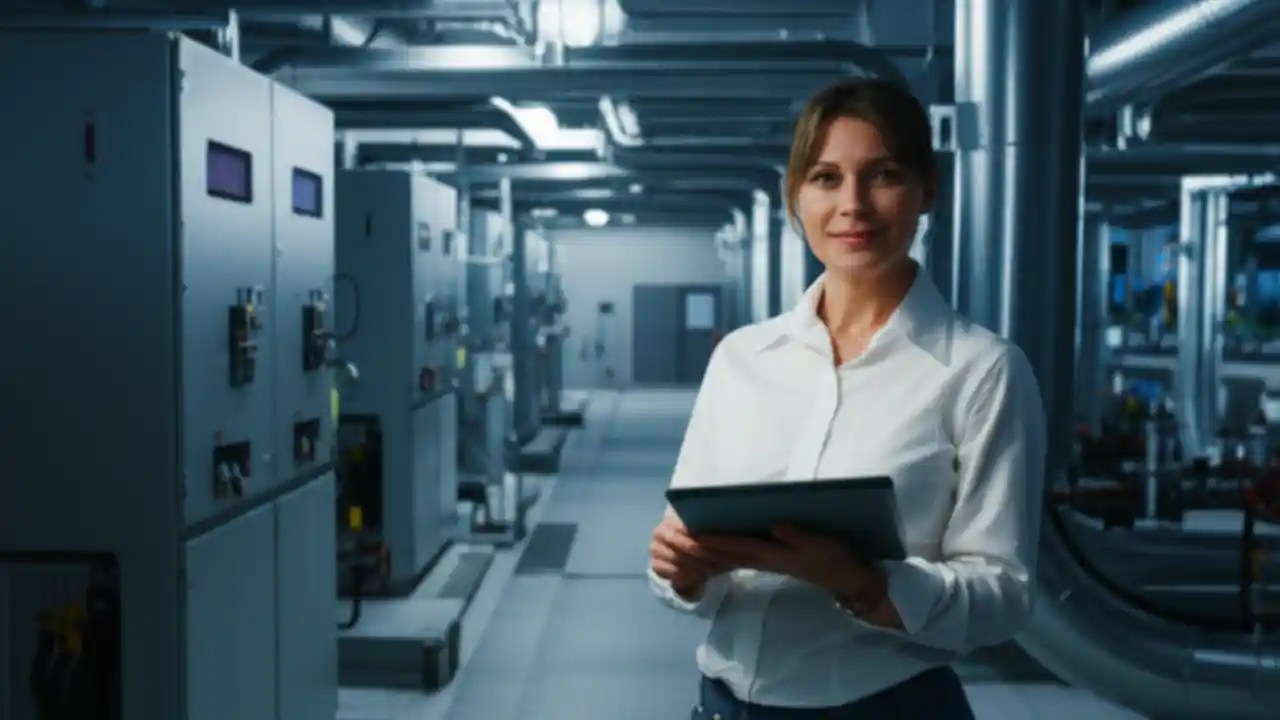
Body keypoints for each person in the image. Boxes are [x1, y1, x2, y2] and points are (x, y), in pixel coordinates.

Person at [647, 77, 1048, 719]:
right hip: (719, 705)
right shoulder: (742, 360)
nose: (852, 205)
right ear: (795, 196)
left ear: (928, 191)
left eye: (883, 174)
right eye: (826, 177)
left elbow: (1004, 594)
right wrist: (680, 569)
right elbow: (685, 548)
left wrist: (861, 583)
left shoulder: (981, 372)